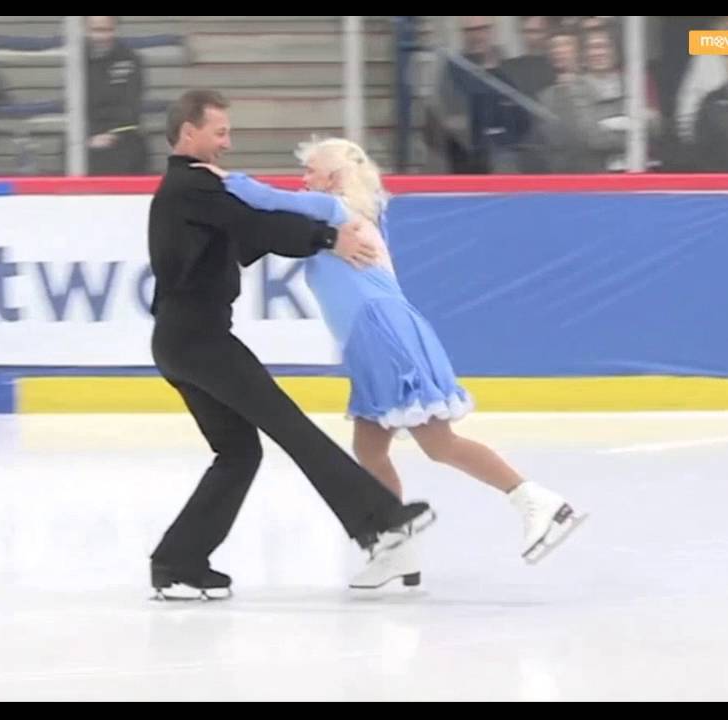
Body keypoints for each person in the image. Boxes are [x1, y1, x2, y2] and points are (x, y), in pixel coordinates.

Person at [193, 137, 585, 589]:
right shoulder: (337, 214)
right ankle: (396, 548)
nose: (304, 180)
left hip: (384, 335)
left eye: (311, 171)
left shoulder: (337, 211)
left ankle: (538, 502)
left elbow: (268, 199)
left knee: (438, 443)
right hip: (367, 341)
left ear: (334, 177)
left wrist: (224, 178)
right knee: (370, 449)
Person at [146, 91, 435, 599]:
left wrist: (303, 234)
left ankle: (178, 562)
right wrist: (328, 238)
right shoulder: (190, 186)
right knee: (290, 426)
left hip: (187, 339)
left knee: (239, 452)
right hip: (197, 340)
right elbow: (255, 224)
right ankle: (381, 521)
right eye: (219, 133)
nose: (227, 143)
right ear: (188, 133)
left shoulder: (196, 190)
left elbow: (249, 236)